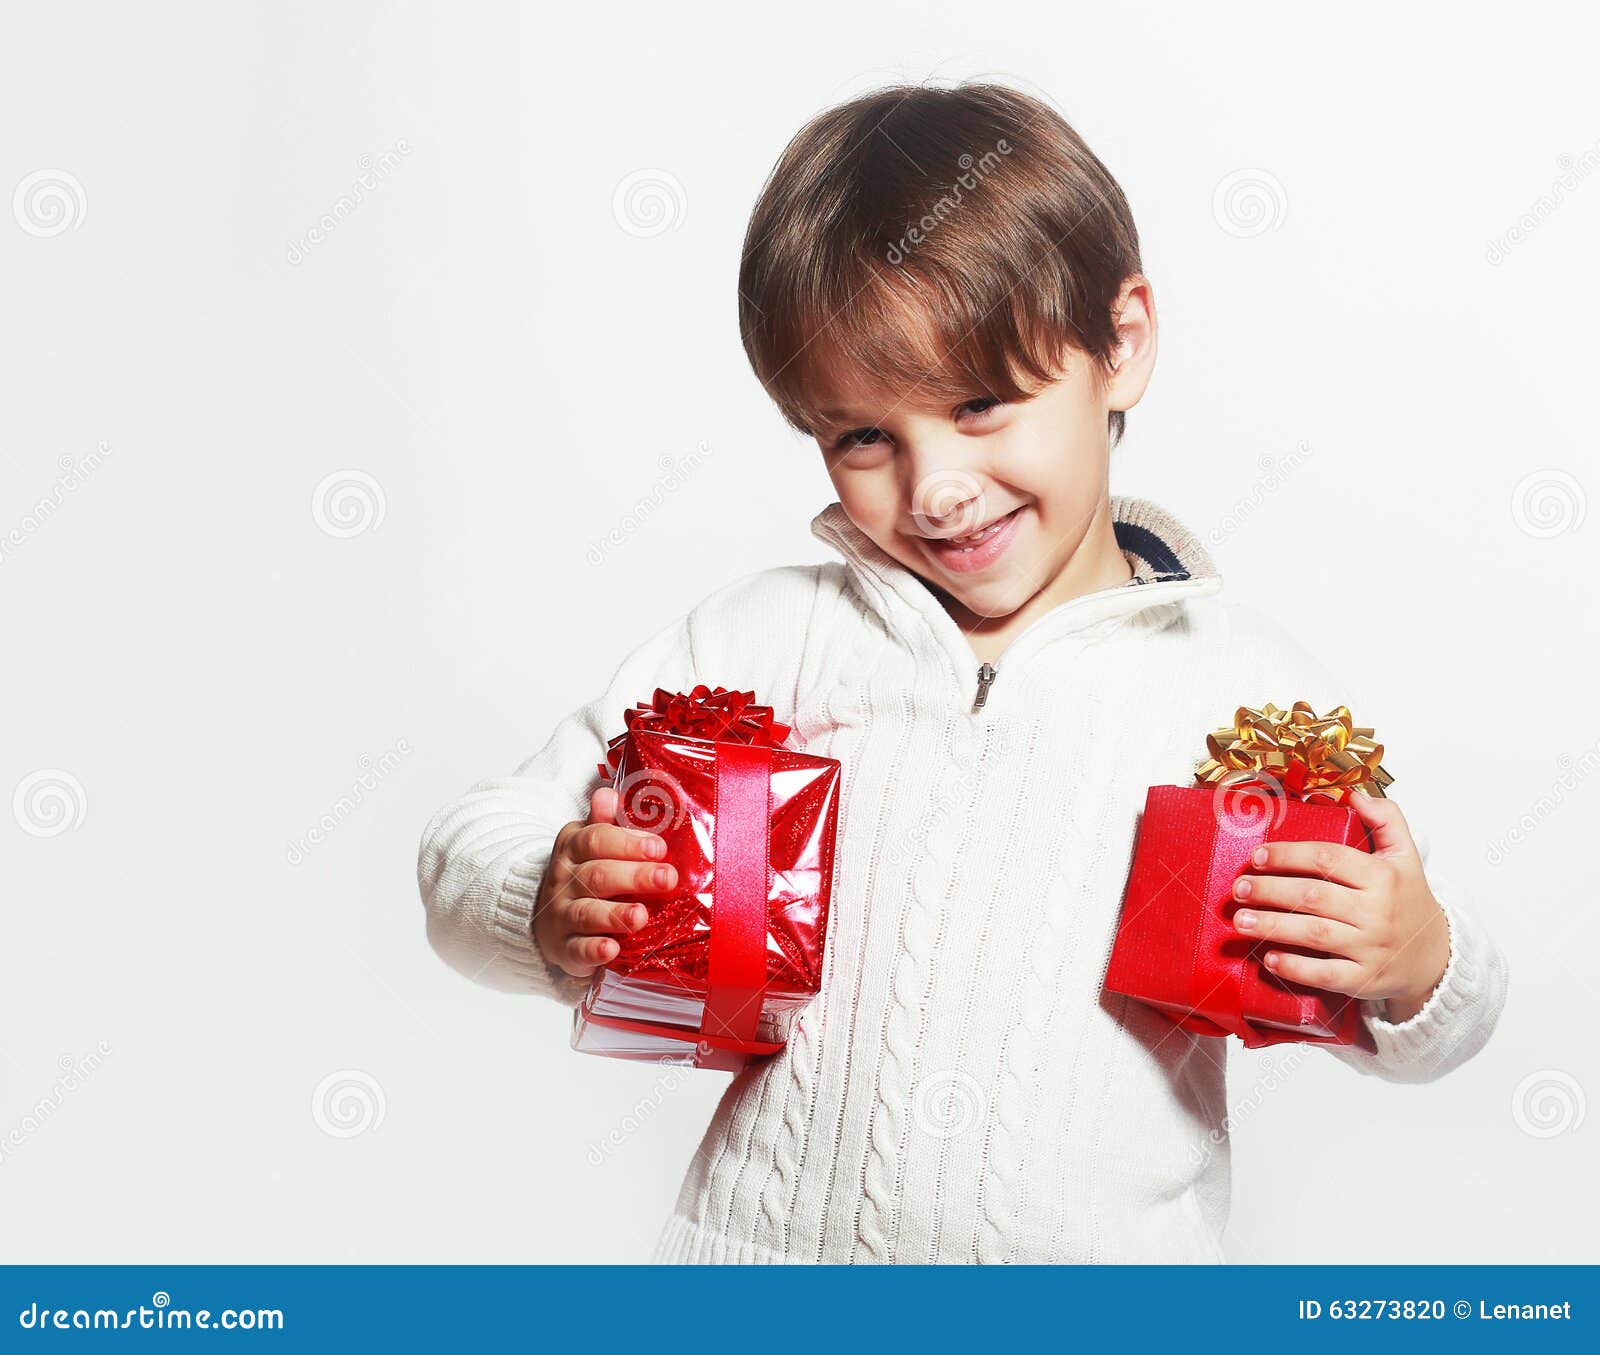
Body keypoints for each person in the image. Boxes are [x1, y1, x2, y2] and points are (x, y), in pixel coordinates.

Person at [417, 82, 1508, 1264]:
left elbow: (1450, 1015)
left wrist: (1411, 963)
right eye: (862, 437)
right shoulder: (762, 640)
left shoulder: (1242, 693)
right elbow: (469, 838)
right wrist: (539, 897)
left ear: (1120, 344)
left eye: (981, 403)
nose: (933, 487)